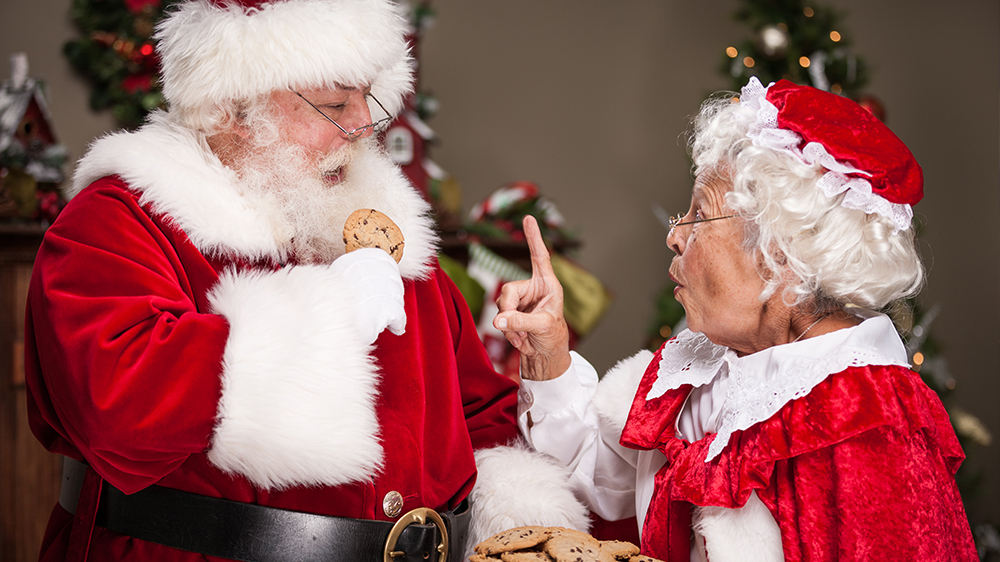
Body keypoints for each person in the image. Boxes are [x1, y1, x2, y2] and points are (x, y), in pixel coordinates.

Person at [24, 1, 589, 560]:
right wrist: (331, 312)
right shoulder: (118, 222)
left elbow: (473, 419)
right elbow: (120, 407)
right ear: (233, 109)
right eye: (334, 103)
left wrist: (546, 373)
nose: (363, 124)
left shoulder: (384, 241)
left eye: (368, 98)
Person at [495, 77, 978, 562]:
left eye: (698, 214)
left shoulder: (866, 417)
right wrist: (549, 354)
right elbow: (595, 484)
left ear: (780, 252)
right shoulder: (701, 367)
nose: (676, 235)